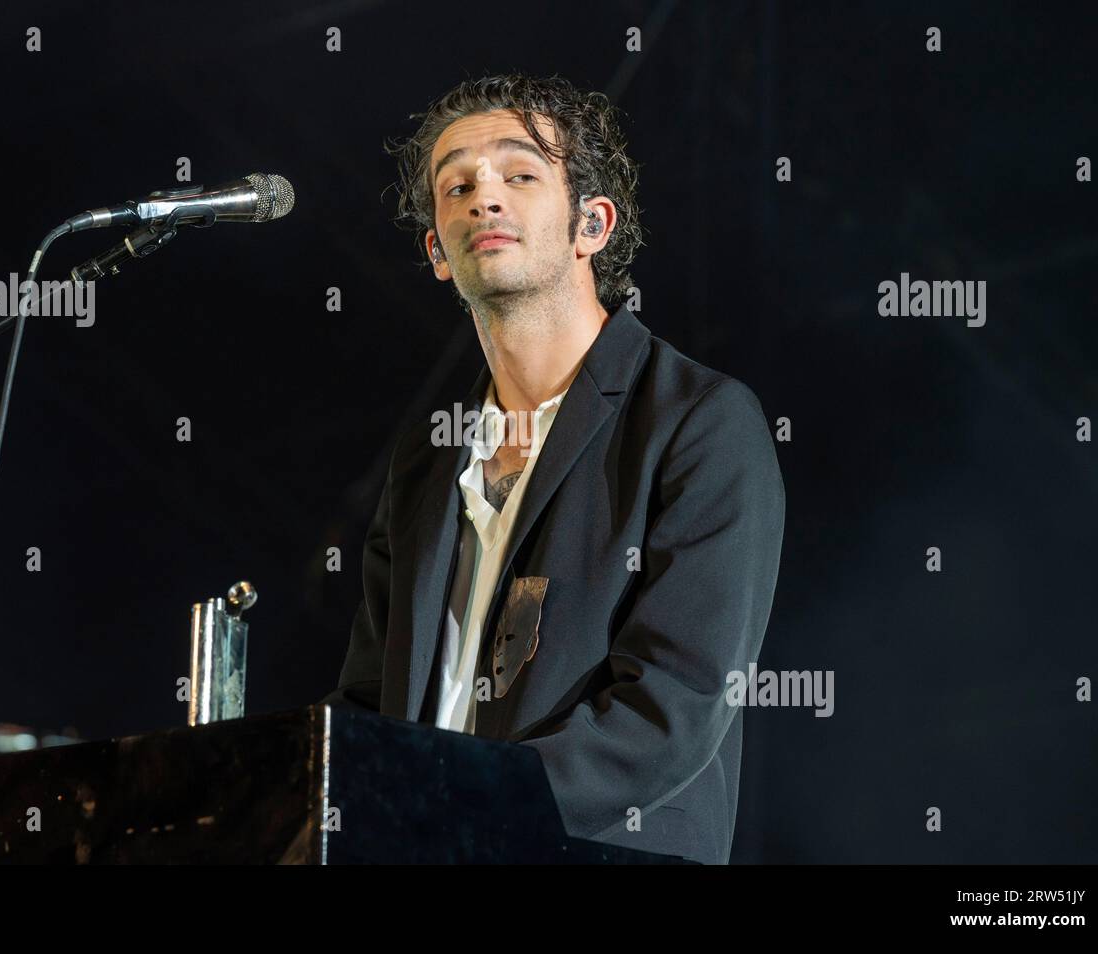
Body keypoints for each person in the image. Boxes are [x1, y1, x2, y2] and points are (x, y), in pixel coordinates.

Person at [321, 72, 785, 865]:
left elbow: (670, 707)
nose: (482, 197)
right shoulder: (430, 457)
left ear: (592, 224)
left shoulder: (698, 421)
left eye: (520, 173)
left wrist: (454, 801)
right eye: (456, 185)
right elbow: (367, 702)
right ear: (437, 251)